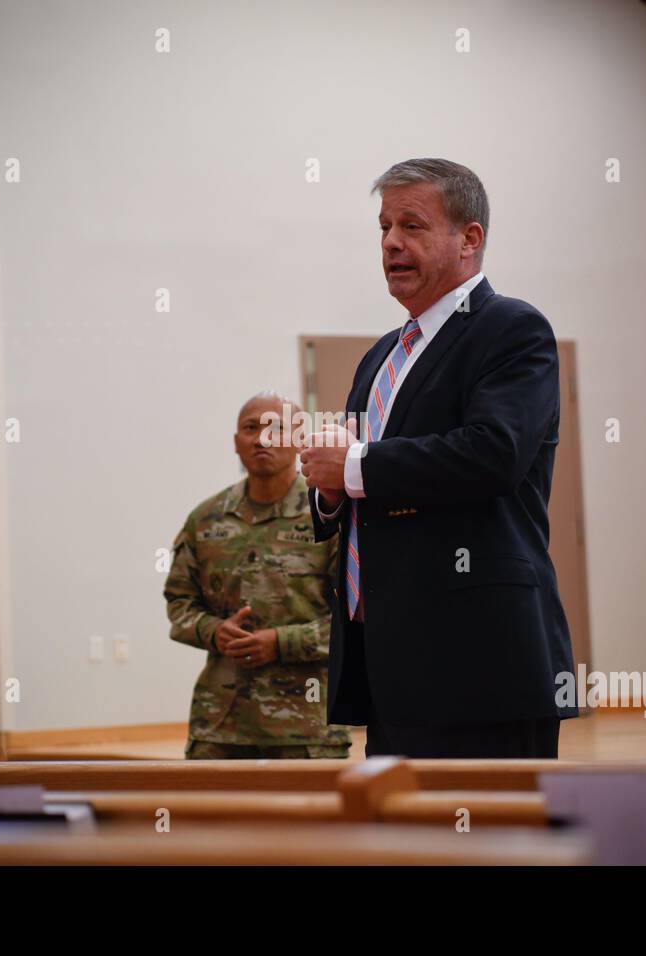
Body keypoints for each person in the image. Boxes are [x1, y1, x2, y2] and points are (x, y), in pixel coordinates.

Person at [300, 158, 577, 758]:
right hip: (390, 663)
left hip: (481, 661)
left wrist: (352, 468)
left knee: (493, 849)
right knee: (406, 848)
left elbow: (493, 453)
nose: (391, 242)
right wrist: (328, 492)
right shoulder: (380, 356)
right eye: (383, 228)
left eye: (412, 225)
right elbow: (363, 482)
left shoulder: (513, 329)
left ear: (469, 239)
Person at [164, 392, 351, 759]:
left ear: (299, 439)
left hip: (307, 731)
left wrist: (282, 641)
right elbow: (179, 604)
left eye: (276, 428)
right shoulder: (206, 519)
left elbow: (357, 615)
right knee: (210, 818)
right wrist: (214, 631)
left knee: (312, 819)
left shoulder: (329, 515)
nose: (262, 438)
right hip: (220, 728)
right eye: (251, 428)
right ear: (236, 442)